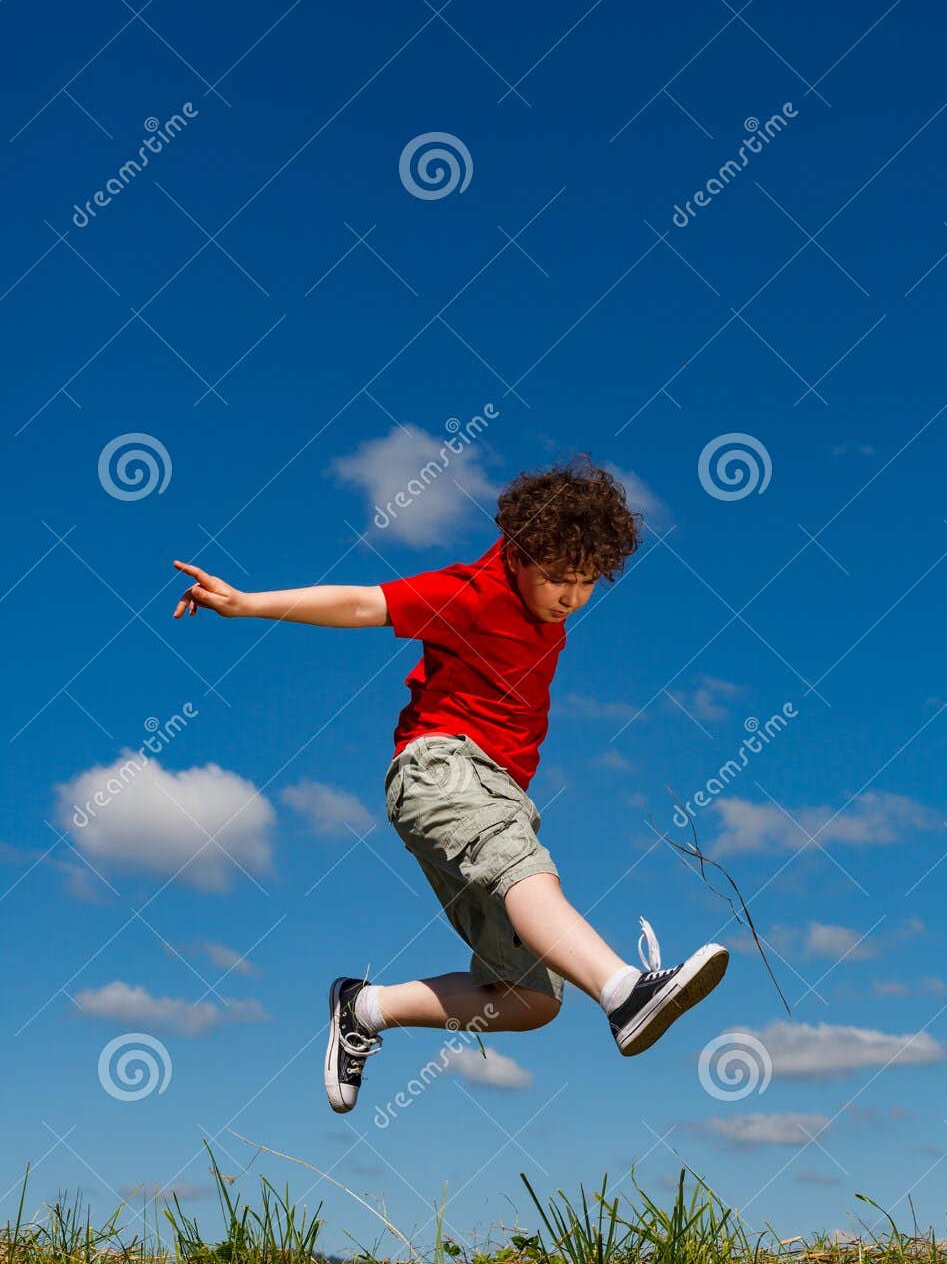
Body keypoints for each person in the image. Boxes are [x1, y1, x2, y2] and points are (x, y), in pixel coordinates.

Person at [172, 458, 728, 1114]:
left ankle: (363, 1008)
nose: (569, 598)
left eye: (584, 584)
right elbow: (363, 603)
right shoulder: (474, 591)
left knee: (532, 1001)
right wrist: (244, 604)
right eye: (555, 579)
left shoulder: (550, 597)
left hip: (497, 795)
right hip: (442, 769)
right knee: (524, 872)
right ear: (517, 555)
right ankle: (623, 991)